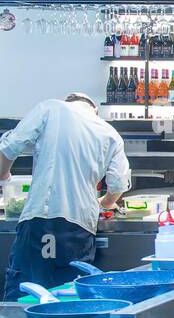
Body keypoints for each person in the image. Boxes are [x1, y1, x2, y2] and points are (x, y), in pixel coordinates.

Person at [0, 94, 130, 300]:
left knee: (26, 292)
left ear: (69, 101)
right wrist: (104, 203)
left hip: (41, 218)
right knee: (70, 295)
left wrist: (4, 175)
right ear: (94, 109)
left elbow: (9, 146)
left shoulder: (50, 108)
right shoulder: (109, 132)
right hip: (80, 228)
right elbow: (118, 184)